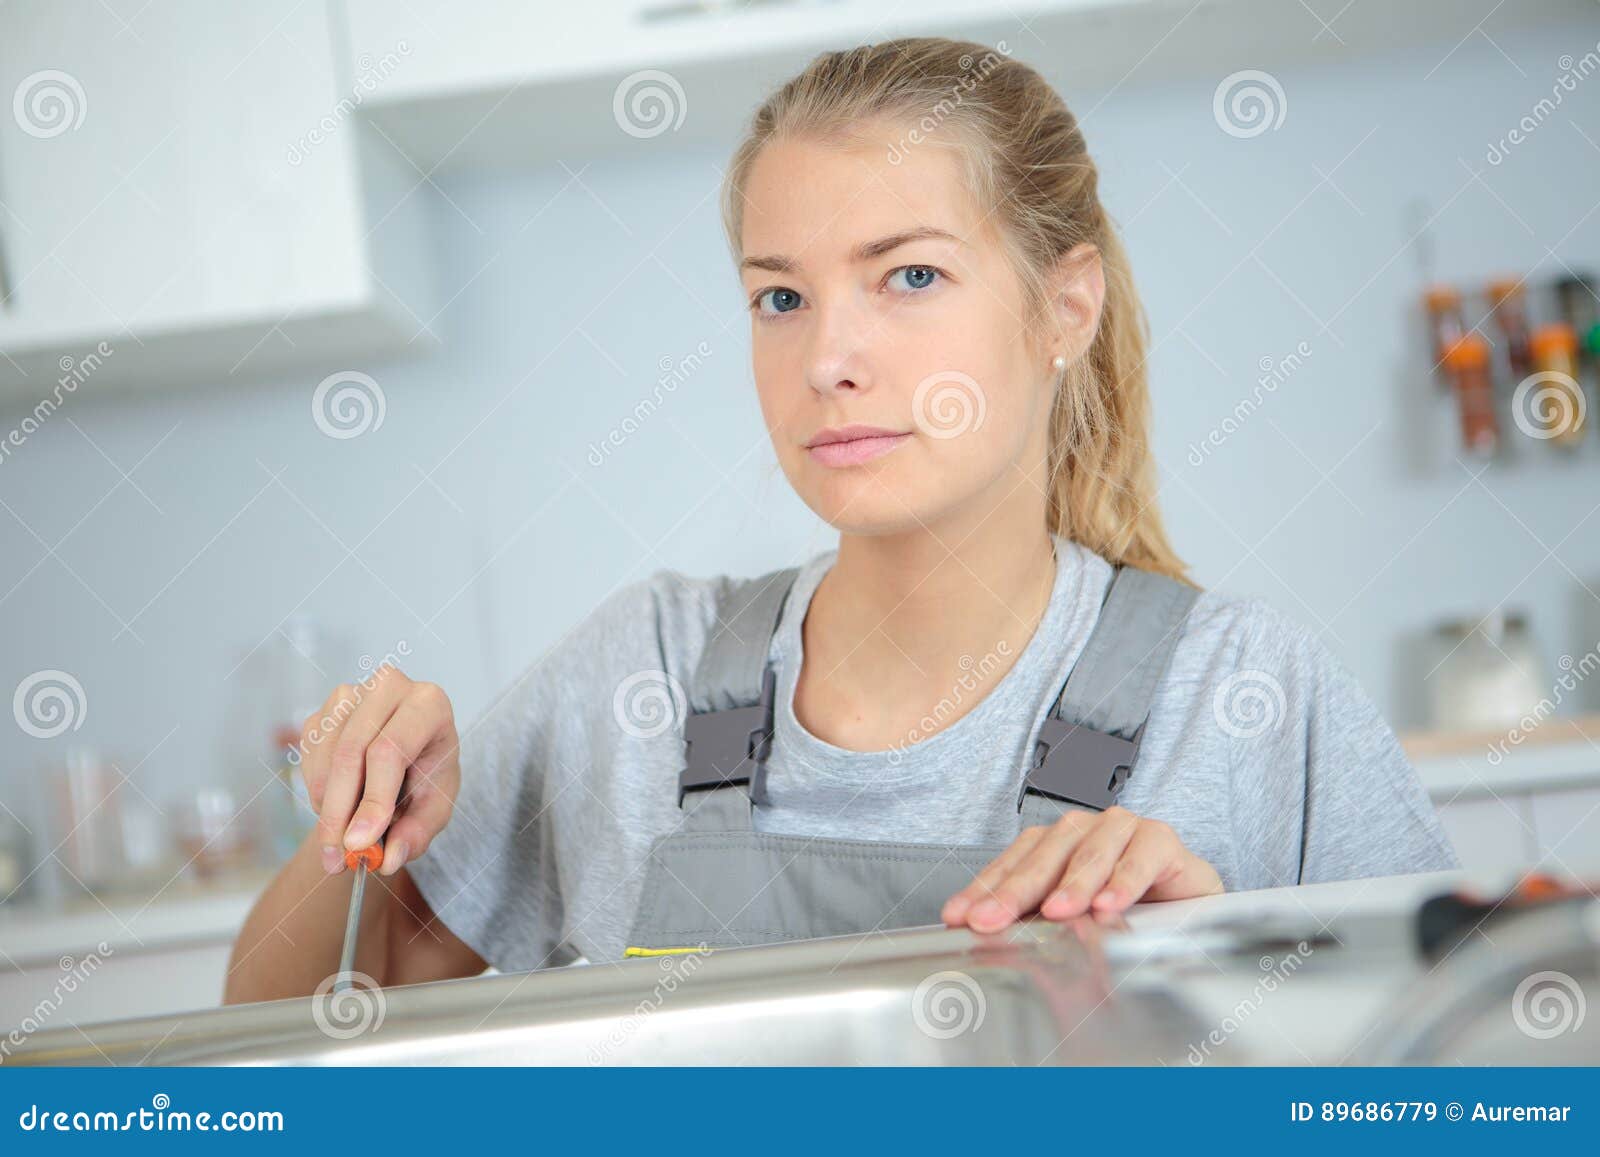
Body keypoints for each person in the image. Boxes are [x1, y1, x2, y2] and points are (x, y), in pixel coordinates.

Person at [225, 37, 1456, 1003]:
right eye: (779, 296)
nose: (828, 358)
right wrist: (358, 820)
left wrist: (1218, 976)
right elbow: (279, 1026)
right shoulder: (636, 679)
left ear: (1063, 305)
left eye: (908, 275)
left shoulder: (1247, 699)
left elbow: (1468, 1088)